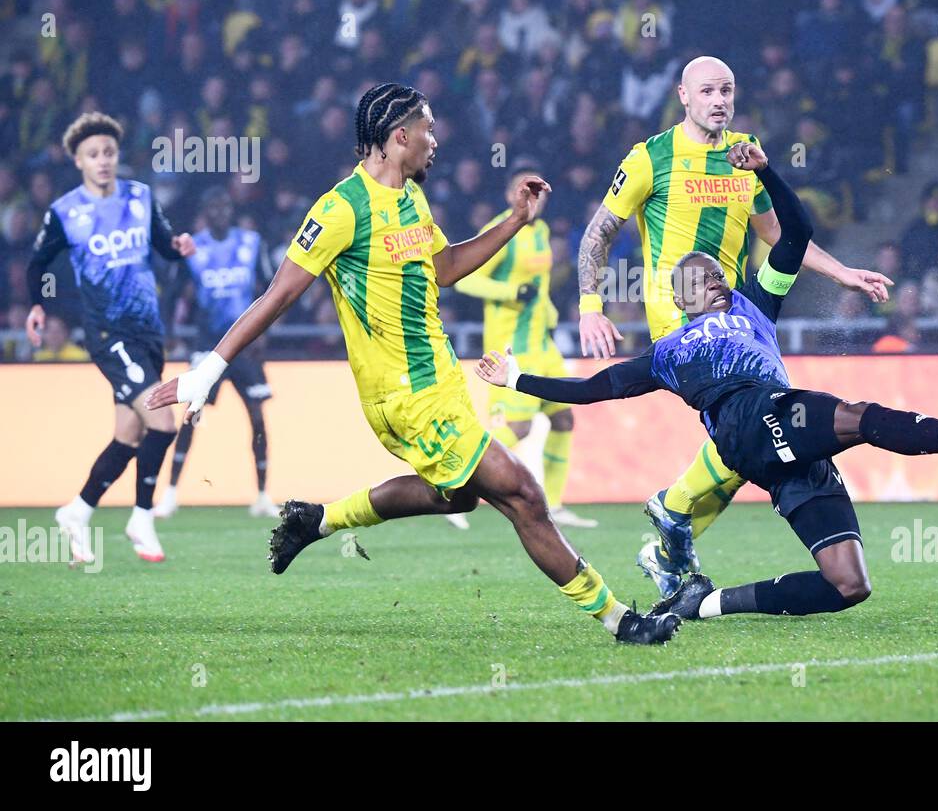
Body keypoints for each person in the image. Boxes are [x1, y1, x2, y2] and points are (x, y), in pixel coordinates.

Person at [145, 83, 678, 645]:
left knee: (459, 495)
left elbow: (446, 267)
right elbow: (276, 295)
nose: (435, 140)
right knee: (522, 493)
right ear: (399, 136)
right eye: (428, 128)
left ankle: (320, 519)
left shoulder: (411, 198)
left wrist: (515, 220)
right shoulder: (340, 209)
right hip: (403, 395)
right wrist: (206, 373)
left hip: (441, 383)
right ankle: (621, 619)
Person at [479, 141, 938, 621]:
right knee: (855, 416)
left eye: (717, 273)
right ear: (681, 299)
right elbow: (594, 389)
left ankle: (707, 604)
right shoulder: (668, 352)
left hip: (778, 438)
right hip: (750, 420)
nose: (714, 281)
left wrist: (767, 173)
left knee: (849, 583)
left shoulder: (755, 303)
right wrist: (518, 378)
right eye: (700, 280)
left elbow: (796, 236)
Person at [575, 54, 892, 597]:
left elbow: (775, 232)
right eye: (707, 91)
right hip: (683, 321)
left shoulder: (748, 156)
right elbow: (599, 233)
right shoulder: (651, 157)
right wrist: (590, 305)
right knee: (755, 430)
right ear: (683, 96)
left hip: (736, 317)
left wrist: (840, 272)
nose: (719, 100)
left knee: (749, 441)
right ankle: (673, 506)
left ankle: (669, 539)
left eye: (727, 90)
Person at [27, 112, 196, 564]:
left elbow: (162, 245)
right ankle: (141, 516)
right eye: (93, 155)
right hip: (107, 332)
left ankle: (77, 511)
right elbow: (37, 263)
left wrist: (178, 246)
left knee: (128, 434)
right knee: (163, 421)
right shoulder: (66, 212)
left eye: (108, 153)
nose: (103, 161)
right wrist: (38, 305)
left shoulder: (140, 198)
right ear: (79, 161)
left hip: (147, 331)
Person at [453, 161, 596, 530]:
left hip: (542, 345)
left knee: (563, 418)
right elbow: (462, 279)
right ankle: (452, 489)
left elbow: (540, 284)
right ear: (508, 194)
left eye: (537, 191)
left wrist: (546, 310)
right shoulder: (500, 231)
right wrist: (510, 291)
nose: (532, 198)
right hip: (511, 346)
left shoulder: (542, 230)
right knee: (517, 429)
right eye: (523, 189)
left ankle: (557, 505)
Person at [155, 186, 277, 519]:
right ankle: (170, 494)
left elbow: (273, 288)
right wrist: (167, 331)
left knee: (256, 416)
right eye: (214, 207)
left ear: (232, 211)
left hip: (246, 346)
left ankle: (263, 495)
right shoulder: (194, 248)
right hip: (208, 346)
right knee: (192, 415)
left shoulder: (251, 244)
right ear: (205, 214)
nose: (220, 212)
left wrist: (267, 333)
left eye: (225, 206)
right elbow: (172, 293)